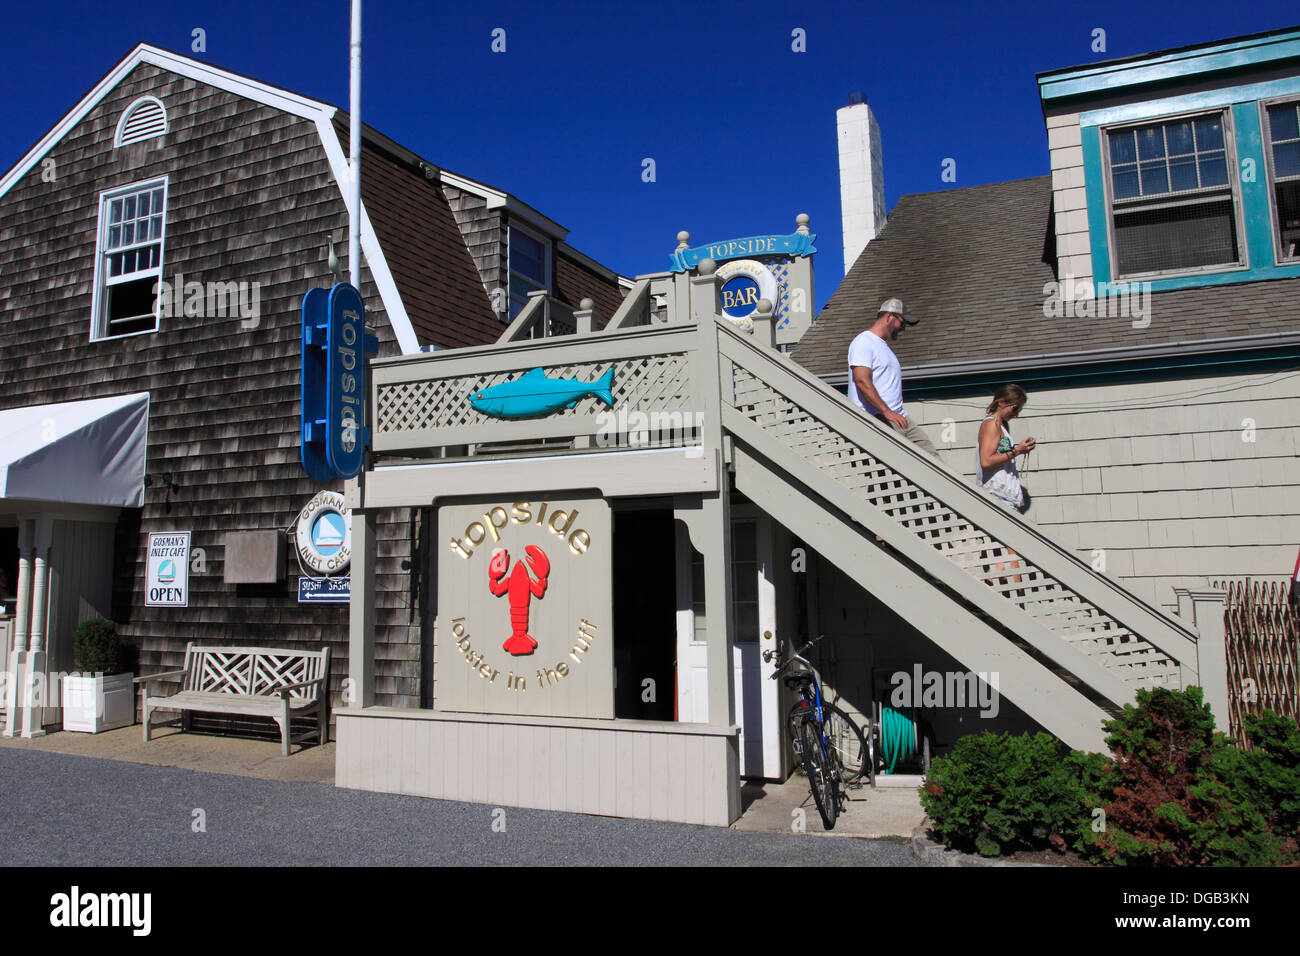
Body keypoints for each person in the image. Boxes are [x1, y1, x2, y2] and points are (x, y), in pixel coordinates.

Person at [846, 298, 937, 457]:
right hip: (878, 419)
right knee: (902, 468)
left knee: (934, 462)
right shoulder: (863, 342)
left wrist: (894, 414)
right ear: (889, 317)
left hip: (900, 417)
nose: (903, 329)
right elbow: (861, 380)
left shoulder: (884, 347)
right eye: (902, 323)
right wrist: (886, 412)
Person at [976, 384, 1036, 583]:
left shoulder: (1001, 426)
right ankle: (1012, 597)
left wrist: (1018, 450)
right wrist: (1017, 451)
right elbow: (986, 460)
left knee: (1005, 552)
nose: (1016, 414)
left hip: (1005, 497)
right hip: (997, 495)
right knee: (1010, 552)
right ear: (1002, 402)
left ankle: (1007, 593)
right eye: (1015, 408)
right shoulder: (991, 424)